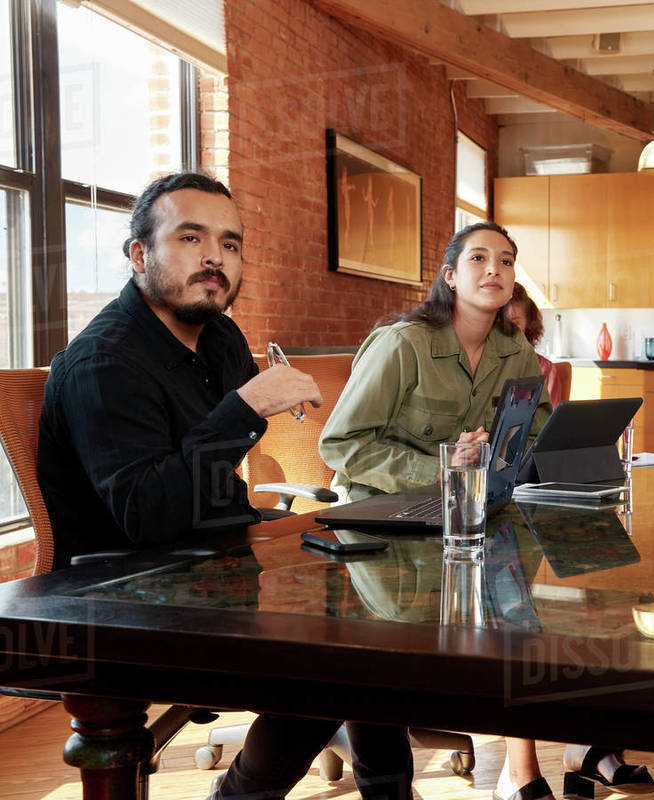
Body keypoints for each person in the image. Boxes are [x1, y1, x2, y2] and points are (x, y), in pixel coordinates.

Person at [37, 172, 413, 800]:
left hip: (217, 554)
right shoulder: (104, 363)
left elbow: (217, 461)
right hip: (126, 587)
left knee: (375, 608)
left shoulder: (220, 337)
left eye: (230, 244)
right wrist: (244, 408)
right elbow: (148, 516)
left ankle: (390, 789)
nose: (215, 257)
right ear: (139, 255)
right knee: (332, 658)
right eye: (190, 237)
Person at [319, 222, 654, 800]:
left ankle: (567, 745)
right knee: (480, 637)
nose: (494, 269)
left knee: (536, 624)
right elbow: (341, 445)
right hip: (387, 526)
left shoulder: (515, 351)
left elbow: (538, 435)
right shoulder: (403, 343)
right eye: (478, 258)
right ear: (450, 276)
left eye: (506, 259)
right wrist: (444, 466)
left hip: (475, 519)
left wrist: (561, 454)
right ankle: (525, 761)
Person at [507, 282, 567, 406]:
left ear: (528, 325)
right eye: (497, 323)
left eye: (515, 323)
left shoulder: (544, 370)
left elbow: (550, 423)